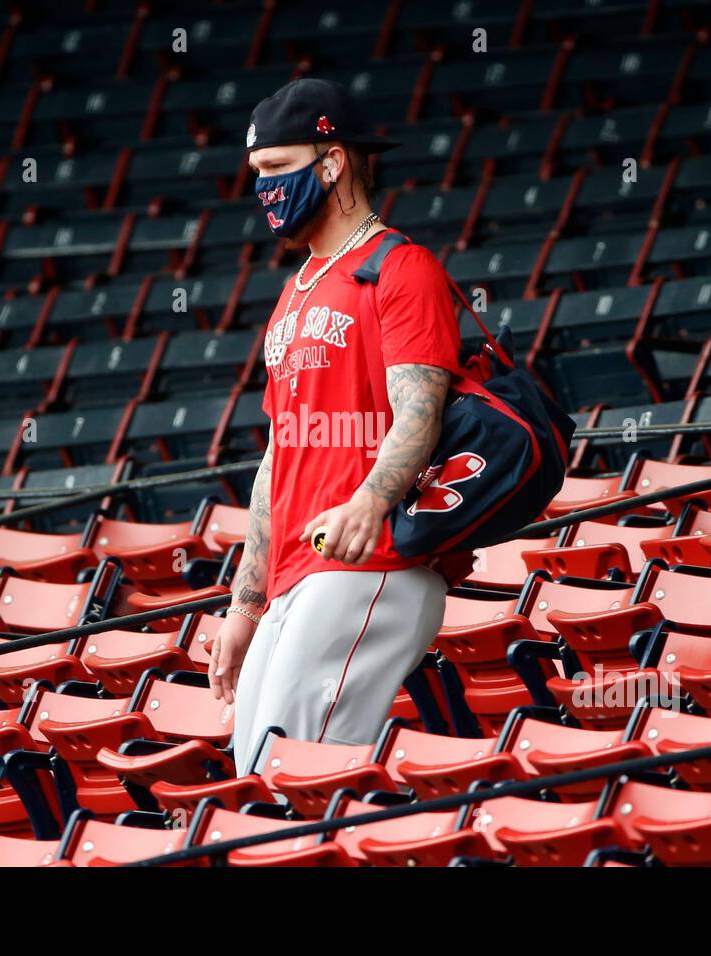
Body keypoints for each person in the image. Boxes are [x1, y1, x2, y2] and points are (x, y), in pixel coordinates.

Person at [208, 77, 463, 774]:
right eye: (255, 174)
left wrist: (372, 499)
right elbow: (276, 457)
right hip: (295, 572)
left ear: (332, 161)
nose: (261, 189)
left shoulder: (401, 268)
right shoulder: (293, 294)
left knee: (290, 783)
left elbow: (420, 407)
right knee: (256, 779)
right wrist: (244, 604)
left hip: (371, 560)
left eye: (275, 169)